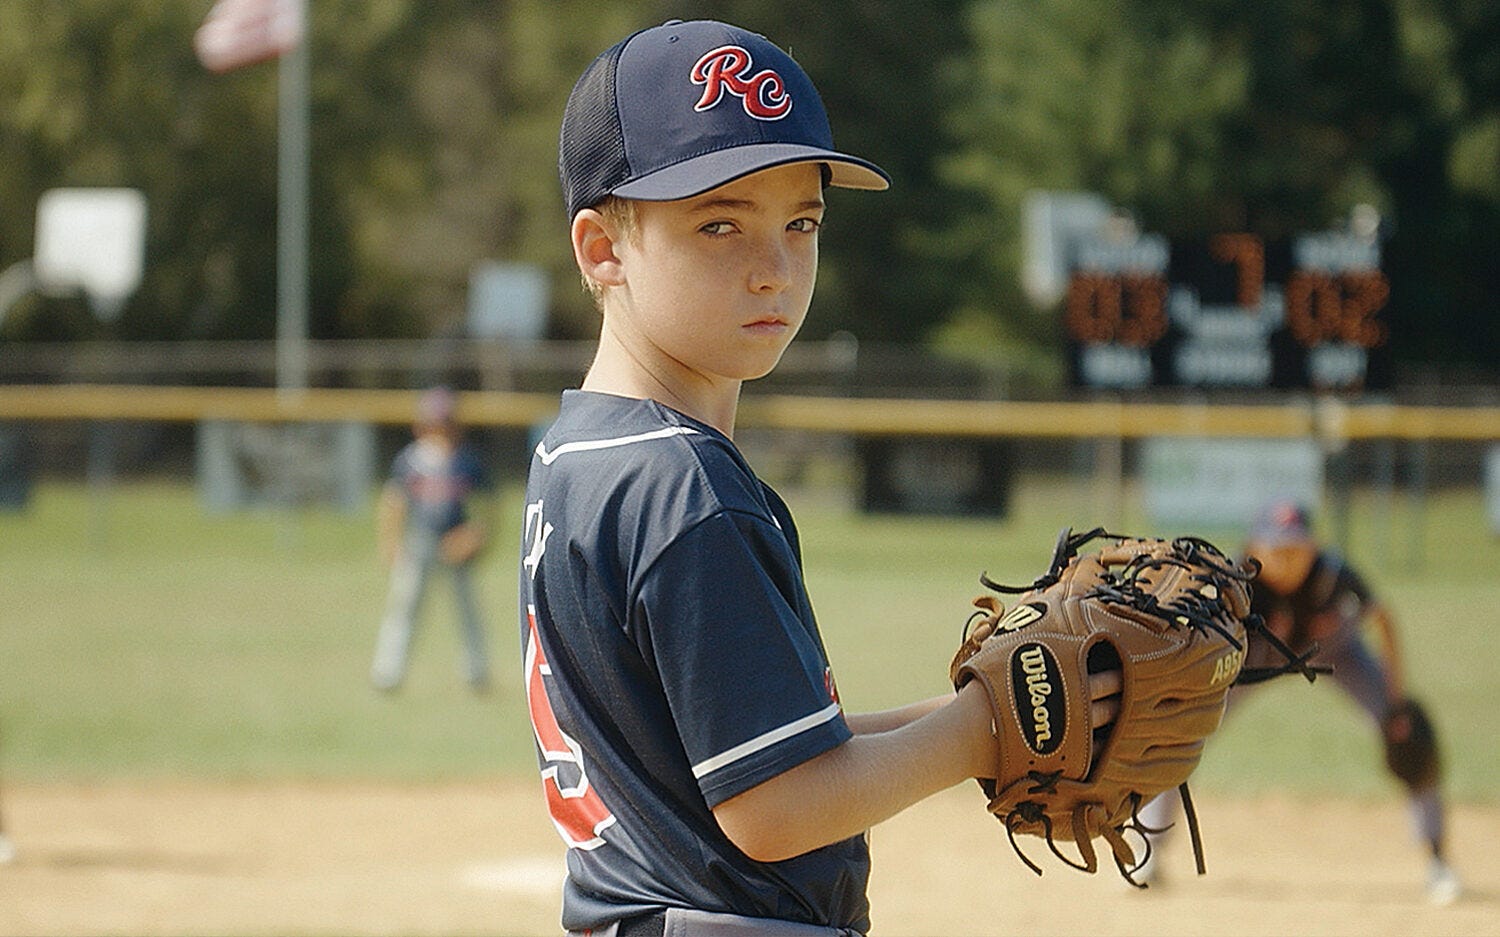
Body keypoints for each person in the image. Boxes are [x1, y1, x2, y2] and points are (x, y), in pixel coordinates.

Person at [518, 19, 1124, 936]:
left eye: (801, 223)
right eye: (719, 224)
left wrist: (982, 707)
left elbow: (772, 751)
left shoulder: (582, 451)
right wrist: (986, 731)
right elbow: (776, 806)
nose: (774, 269)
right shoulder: (685, 488)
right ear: (603, 248)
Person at [1135, 500, 1462, 904]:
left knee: (1408, 738)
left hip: (1331, 652)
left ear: (1314, 546)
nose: (1287, 557)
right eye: (1277, 548)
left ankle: (1438, 859)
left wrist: (1396, 701)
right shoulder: (1235, 579)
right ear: (1254, 547)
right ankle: (1149, 853)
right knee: (1181, 734)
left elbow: (1382, 618)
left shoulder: (1331, 574)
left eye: (1296, 548)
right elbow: (1192, 631)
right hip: (1251, 658)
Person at [370, 385, 494, 693]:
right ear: (421, 425)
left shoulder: (467, 461)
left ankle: (476, 672)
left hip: (454, 541)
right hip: (419, 541)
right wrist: (391, 543)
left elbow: (488, 506)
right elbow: (393, 503)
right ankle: (388, 673)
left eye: (446, 422)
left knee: (467, 610)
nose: (440, 429)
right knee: (405, 607)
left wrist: (476, 535)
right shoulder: (410, 460)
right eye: (434, 423)